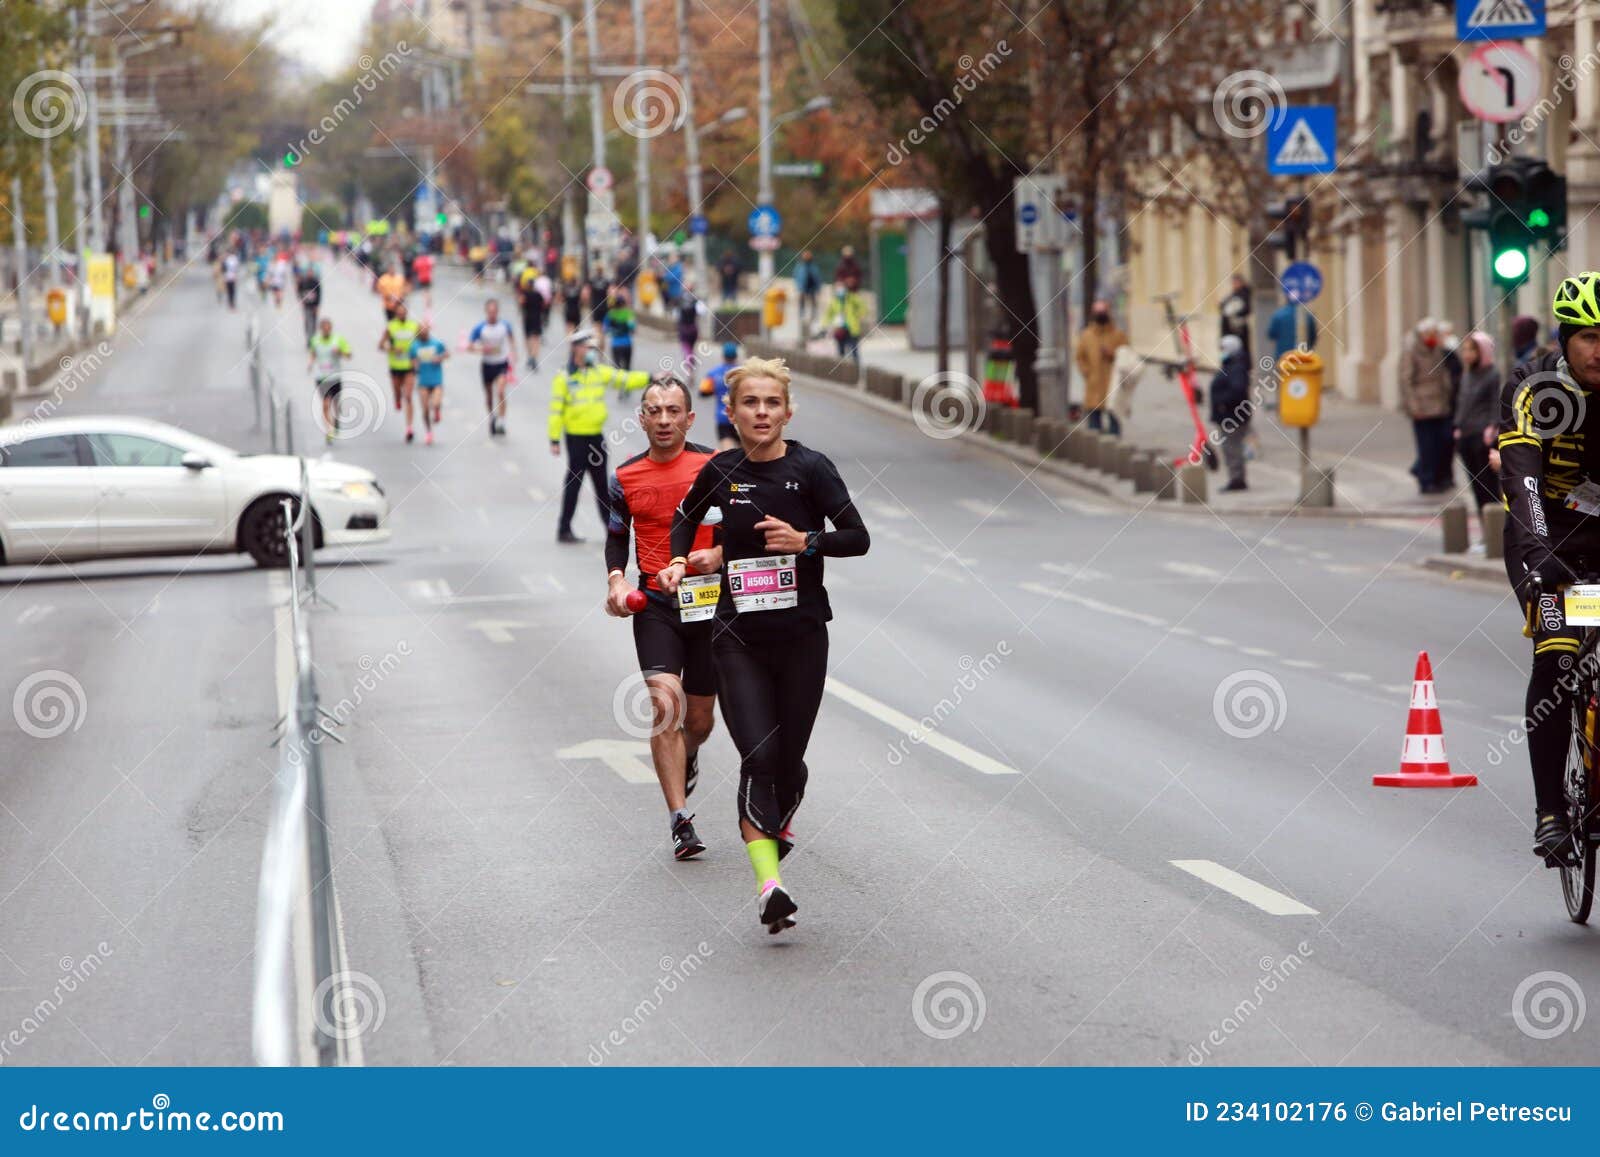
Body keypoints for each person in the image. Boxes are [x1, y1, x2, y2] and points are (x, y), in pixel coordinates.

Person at [660, 357, 870, 934]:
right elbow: (685, 519)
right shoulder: (721, 470)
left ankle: (777, 825)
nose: (761, 412)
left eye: (771, 403)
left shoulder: (812, 468)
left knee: (788, 763)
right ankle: (769, 884)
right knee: (757, 757)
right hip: (737, 638)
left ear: (787, 411)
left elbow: (859, 537)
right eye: (750, 403)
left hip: (803, 636)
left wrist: (808, 542)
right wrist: (679, 559)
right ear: (732, 412)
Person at [1500, 272, 1600, 866]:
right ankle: (1552, 814)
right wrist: (1540, 555)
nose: (1599, 349)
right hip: (1550, 544)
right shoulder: (1537, 389)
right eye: (1588, 336)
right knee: (1560, 656)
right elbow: (1523, 478)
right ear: (1565, 339)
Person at [604, 375, 722, 860]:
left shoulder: (715, 466)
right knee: (664, 705)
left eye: (674, 411)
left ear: (689, 418)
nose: (664, 419)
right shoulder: (624, 476)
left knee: (699, 718)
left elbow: (736, 526)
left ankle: (689, 754)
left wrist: (717, 555)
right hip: (655, 602)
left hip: (710, 602)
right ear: (642, 419)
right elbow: (616, 536)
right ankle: (680, 820)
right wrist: (616, 578)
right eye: (655, 410)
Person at [548, 328, 649, 543]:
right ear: (576, 349)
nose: (592, 351)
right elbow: (556, 410)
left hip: (596, 438)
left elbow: (624, 379)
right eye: (588, 347)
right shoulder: (564, 377)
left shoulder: (598, 372)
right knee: (573, 484)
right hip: (575, 438)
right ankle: (564, 528)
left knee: (603, 484)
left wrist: (650, 378)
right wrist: (554, 439)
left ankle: (611, 528)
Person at [1400, 317, 1453, 494]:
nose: (1432, 337)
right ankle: (1426, 480)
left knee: (1441, 443)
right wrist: (1413, 406)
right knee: (1426, 446)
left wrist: (1448, 395)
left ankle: (1437, 477)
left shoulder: (1437, 350)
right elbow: (1406, 380)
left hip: (1440, 404)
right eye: (1429, 333)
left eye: (1434, 333)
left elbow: (1443, 375)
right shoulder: (1412, 352)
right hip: (1422, 407)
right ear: (1422, 335)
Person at [1453, 329, 1500, 513]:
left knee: (1487, 485)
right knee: (1475, 486)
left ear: (1482, 352)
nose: (1466, 354)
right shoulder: (1467, 375)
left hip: (1482, 436)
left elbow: (1495, 402)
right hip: (1466, 434)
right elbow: (1462, 402)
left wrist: (1492, 426)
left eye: (1471, 350)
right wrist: (1457, 425)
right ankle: (1484, 529)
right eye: (1464, 350)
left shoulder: (1492, 374)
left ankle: (1494, 530)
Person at [1075, 300, 1129, 435]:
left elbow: (1128, 356)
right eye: (1097, 312)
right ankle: (1095, 452)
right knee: (1094, 426)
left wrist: (1111, 353)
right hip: (1094, 385)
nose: (1100, 314)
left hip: (1113, 384)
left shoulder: (1118, 335)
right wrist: (1086, 372)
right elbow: (1079, 357)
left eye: (1103, 311)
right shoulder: (1087, 335)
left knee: (1114, 423)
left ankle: (1114, 448)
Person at [1209, 334, 1251, 492]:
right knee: (1230, 448)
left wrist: (1221, 402)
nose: (1221, 351)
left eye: (1223, 348)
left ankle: (1237, 480)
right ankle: (1236, 478)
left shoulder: (1236, 367)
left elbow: (1238, 391)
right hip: (1229, 415)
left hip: (1232, 416)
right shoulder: (1232, 365)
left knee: (1232, 448)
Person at [469, 299, 518, 437]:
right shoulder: (480, 328)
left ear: (498, 312)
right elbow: (470, 346)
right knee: (489, 395)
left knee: (501, 391)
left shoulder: (504, 325)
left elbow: (511, 338)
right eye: (490, 312)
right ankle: (492, 417)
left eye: (494, 312)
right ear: (486, 312)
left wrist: (513, 353)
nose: (492, 314)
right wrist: (483, 349)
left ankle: (502, 421)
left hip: (501, 363)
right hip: (487, 364)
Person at [378, 301, 422, 443]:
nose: (402, 313)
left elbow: (424, 341)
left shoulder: (414, 326)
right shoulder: (391, 326)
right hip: (395, 366)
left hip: (409, 366)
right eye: (399, 311)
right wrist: (392, 349)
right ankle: (397, 399)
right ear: (396, 313)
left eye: (404, 311)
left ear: (407, 312)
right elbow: (380, 345)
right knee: (398, 393)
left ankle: (409, 428)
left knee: (408, 396)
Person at [307, 318, 352, 444]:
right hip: (321, 377)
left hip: (335, 376)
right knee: (326, 404)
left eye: (328, 327)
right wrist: (310, 363)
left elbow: (349, 355)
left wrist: (340, 352)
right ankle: (329, 430)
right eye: (324, 328)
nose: (326, 330)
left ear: (331, 328)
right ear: (321, 329)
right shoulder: (315, 340)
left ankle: (336, 419)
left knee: (336, 403)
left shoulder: (338, 340)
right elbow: (312, 353)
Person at [411, 320, 449, 447]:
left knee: (436, 402)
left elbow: (447, 354)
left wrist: (439, 358)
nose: (424, 333)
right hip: (423, 381)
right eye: (421, 330)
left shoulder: (436, 343)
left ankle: (437, 410)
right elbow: (412, 359)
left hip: (436, 379)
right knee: (425, 409)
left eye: (426, 330)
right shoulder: (415, 346)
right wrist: (415, 365)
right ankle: (428, 432)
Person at [700, 341, 741, 450]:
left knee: (728, 453)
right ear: (736, 356)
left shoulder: (714, 373)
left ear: (723, 356)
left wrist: (717, 390)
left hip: (722, 418)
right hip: (741, 418)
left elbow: (703, 392)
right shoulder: (743, 373)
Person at [819, 284, 866, 365]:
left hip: (852, 329)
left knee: (854, 350)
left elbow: (863, 308)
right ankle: (843, 369)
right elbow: (828, 314)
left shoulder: (852, 299)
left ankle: (856, 367)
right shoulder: (834, 301)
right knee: (841, 351)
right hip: (840, 329)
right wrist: (824, 325)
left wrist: (858, 315)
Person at [517, 260, 548, 370]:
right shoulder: (538, 294)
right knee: (536, 338)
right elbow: (544, 304)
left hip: (527, 317)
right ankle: (534, 357)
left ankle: (530, 356)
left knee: (528, 338)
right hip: (537, 317)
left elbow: (520, 303)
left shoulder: (524, 294)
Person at [1266, 296, 1317, 361]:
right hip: (1303, 358)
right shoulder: (1307, 315)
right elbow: (1313, 337)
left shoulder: (1279, 315)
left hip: (1283, 357)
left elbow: (1271, 334)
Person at [675, 281, 706, 382]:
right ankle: (691, 368)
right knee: (692, 350)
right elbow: (702, 312)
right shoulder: (696, 299)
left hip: (684, 328)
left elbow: (676, 315)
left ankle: (689, 368)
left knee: (686, 349)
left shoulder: (679, 299)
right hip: (693, 328)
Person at [605, 286, 637, 377]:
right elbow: (632, 327)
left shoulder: (610, 314)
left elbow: (605, 329)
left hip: (616, 345)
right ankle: (627, 386)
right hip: (627, 344)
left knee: (617, 369)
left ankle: (620, 386)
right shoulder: (629, 313)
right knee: (627, 368)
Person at [1219, 272, 1251, 355]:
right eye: (1233, 283)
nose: (1234, 285)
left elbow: (1243, 310)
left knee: (1240, 352)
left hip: (1238, 329)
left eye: (1236, 283)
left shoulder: (1244, 295)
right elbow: (1223, 306)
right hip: (1230, 329)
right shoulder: (1233, 295)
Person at [793, 249, 821, 336]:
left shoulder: (813, 266)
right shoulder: (800, 266)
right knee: (802, 300)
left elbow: (817, 277)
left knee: (813, 301)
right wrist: (799, 286)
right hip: (803, 287)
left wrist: (818, 287)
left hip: (812, 287)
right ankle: (802, 313)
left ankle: (814, 313)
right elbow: (796, 276)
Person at [296, 260, 323, 345]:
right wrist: (301, 299)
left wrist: (317, 306)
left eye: (311, 272)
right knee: (307, 321)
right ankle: (308, 337)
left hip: (314, 305)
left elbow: (319, 294)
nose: (310, 274)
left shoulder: (316, 282)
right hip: (306, 305)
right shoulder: (303, 281)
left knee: (314, 322)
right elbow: (299, 291)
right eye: (308, 272)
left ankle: (313, 338)